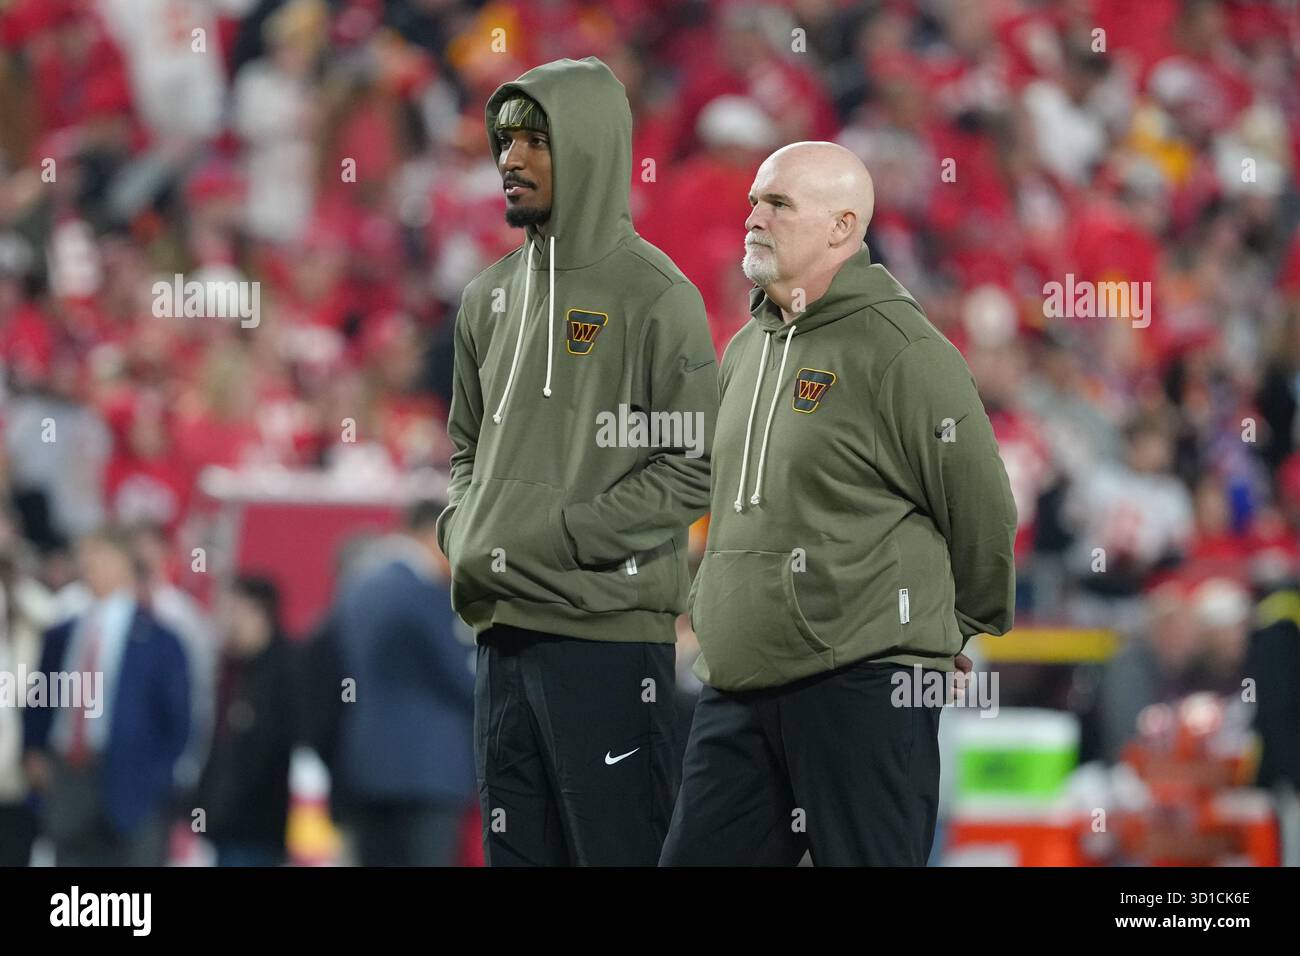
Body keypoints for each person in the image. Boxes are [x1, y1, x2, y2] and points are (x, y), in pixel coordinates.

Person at [661, 141, 1017, 866]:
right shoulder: (744, 350)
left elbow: (983, 507)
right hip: (737, 686)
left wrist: (952, 632)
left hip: (864, 682)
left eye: (779, 204)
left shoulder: (902, 350)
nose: (753, 216)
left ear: (841, 227)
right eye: (755, 200)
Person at [439, 57, 718, 865]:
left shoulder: (656, 295)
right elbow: (465, 450)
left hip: (606, 639)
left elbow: (692, 464)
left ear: (591, 149)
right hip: (501, 638)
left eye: (535, 140)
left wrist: (562, 535)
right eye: (503, 141)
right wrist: (468, 531)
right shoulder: (485, 298)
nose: (509, 160)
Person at [23, 527, 191, 866]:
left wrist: (156, 778)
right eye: (83, 554)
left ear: (125, 563)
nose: (86, 563)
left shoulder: (161, 640)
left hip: (132, 783)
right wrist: (34, 750)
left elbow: (179, 721)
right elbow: (40, 698)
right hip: (69, 777)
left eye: (97, 554)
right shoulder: (62, 633)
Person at [334, 501, 475, 866]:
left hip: (368, 766)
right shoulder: (425, 591)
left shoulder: (359, 587)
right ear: (435, 534)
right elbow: (463, 675)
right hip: (429, 772)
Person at [195, 575, 295, 867]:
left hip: (259, 829)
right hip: (224, 826)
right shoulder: (230, 671)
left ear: (259, 612)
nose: (225, 621)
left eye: (233, 611)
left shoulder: (286, 672)